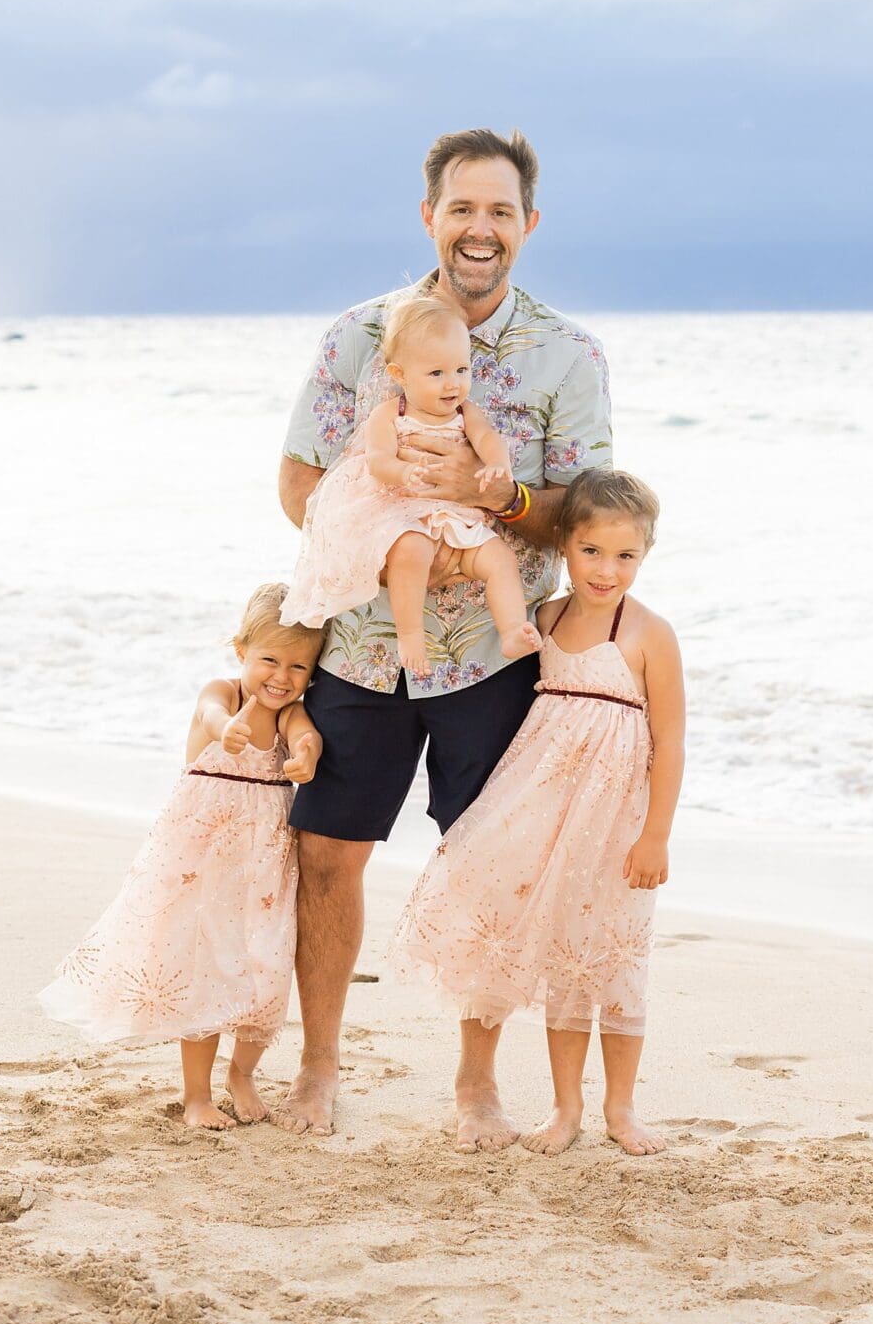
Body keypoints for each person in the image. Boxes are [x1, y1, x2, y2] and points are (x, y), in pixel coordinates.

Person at [274, 127, 613, 1150]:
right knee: (328, 854)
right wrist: (393, 554)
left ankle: (474, 1085)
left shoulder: (569, 354)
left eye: (499, 211)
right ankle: (319, 1067)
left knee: (486, 863)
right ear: (429, 216)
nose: (479, 229)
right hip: (365, 645)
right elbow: (295, 482)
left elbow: (586, 511)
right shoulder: (354, 337)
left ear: (527, 225)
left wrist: (497, 497)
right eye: (461, 208)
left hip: (496, 658)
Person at [390, 470, 685, 1157]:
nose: (605, 570)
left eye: (624, 556)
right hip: (546, 809)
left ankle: (620, 1108)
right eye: (589, 552)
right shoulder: (546, 618)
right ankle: (566, 1109)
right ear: (563, 544)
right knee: (562, 963)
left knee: (609, 960)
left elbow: (668, 740)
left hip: (613, 822)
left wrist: (656, 835)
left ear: (644, 554)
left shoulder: (648, 634)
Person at [39, 584, 324, 1130]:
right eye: (269, 659)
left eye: (298, 666)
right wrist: (229, 731)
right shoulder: (226, 695)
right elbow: (210, 712)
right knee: (203, 973)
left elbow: (305, 734)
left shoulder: (291, 713)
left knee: (261, 972)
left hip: (261, 871)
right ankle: (197, 1096)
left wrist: (306, 755)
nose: (282, 676)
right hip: (199, 865)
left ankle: (242, 1072)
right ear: (241, 651)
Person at [280, 295, 541, 672]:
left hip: (455, 516)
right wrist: (403, 472)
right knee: (412, 550)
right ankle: (411, 634)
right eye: (436, 374)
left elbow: (487, 438)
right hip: (402, 511)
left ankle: (513, 628)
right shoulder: (389, 414)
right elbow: (378, 460)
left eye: (462, 370)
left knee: (498, 558)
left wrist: (497, 463)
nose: (453, 384)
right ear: (400, 375)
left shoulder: (466, 412)